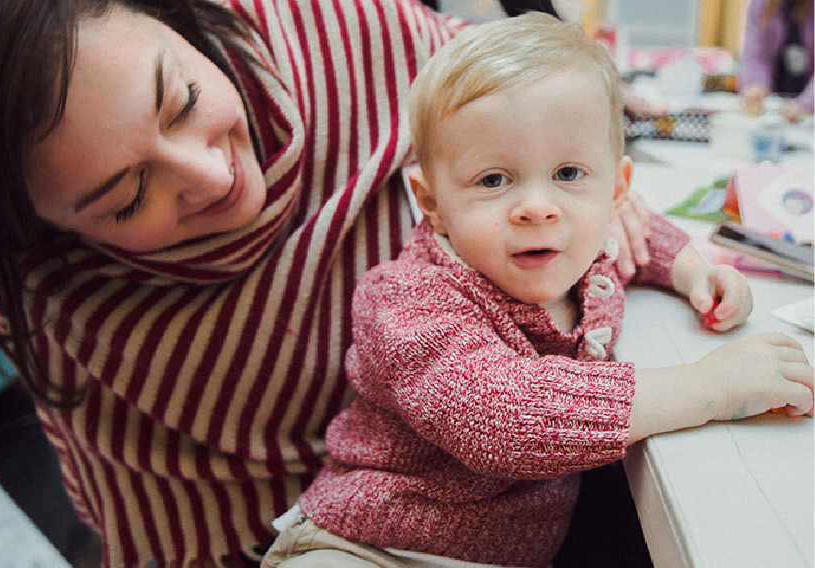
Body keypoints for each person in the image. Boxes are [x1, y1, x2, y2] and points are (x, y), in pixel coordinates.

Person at [0, 0, 659, 566]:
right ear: (43, 233)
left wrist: (584, 184)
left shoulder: (347, 36)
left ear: (180, 21)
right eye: (126, 198)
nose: (212, 178)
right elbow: (162, 535)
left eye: (181, 101)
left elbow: (533, 97)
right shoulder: (52, 305)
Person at [262, 12, 815, 568]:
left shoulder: (587, 254)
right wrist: (707, 387)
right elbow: (497, 417)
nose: (538, 206)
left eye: (569, 173)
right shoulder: (406, 299)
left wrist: (693, 270)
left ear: (617, 188)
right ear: (430, 201)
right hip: (372, 544)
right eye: (494, 180)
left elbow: (641, 238)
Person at [739, 0, 815, 122]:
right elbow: (755, 54)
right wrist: (755, 84)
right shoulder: (761, 5)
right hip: (777, 109)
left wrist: (807, 104)